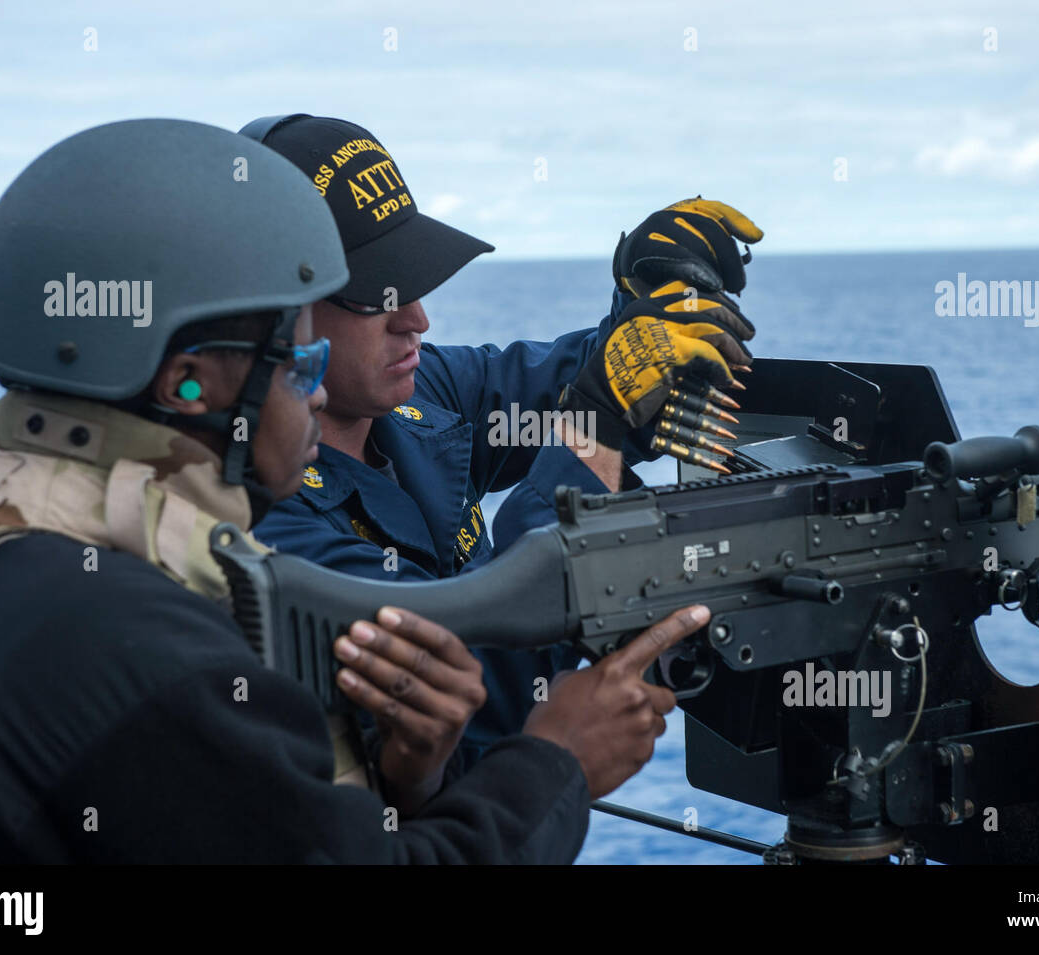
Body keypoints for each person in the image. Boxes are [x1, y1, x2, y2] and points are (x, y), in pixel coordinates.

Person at [0, 118, 707, 864]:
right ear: (187, 384)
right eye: (297, 359)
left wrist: (641, 318)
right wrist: (558, 761)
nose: (315, 391)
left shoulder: (30, 508)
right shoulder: (133, 632)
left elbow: (526, 387)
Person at [244, 114, 763, 765]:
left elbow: (561, 378)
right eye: (378, 295)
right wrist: (595, 429)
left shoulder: (415, 391)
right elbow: (465, 684)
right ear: (277, 312)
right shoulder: (258, 515)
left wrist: (643, 298)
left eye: (412, 281)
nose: (417, 319)